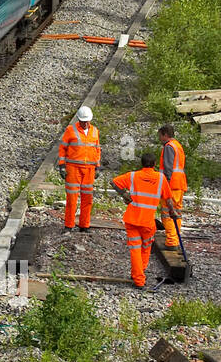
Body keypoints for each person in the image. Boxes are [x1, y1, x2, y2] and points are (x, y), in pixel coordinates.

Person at [112, 152, 180, 289]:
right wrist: (172, 212)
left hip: (132, 219)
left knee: (135, 249)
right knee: (145, 248)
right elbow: (168, 199)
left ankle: (138, 277)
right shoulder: (160, 179)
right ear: (154, 165)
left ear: (142, 164)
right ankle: (139, 276)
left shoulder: (133, 176)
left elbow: (114, 182)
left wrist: (124, 194)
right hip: (148, 222)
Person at [58, 105, 101, 231]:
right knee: (72, 198)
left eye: (86, 121)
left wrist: (97, 166)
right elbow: (62, 148)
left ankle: (84, 225)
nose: (85, 123)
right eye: (83, 121)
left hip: (89, 170)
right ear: (79, 120)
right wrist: (62, 166)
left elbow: (97, 150)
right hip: (73, 169)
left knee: (87, 198)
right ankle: (69, 225)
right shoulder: (71, 130)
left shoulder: (95, 131)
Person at [157, 124, 187, 249]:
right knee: (177, 211)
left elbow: (168, 167)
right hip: (180, 183)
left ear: (165, 135)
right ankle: (175, 237)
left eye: (160, 135)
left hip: (172, 184)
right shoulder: (177, 145)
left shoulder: (169, 147)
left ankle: (171, 241)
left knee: (167, 212)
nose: (159, 138)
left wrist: (165, 185)